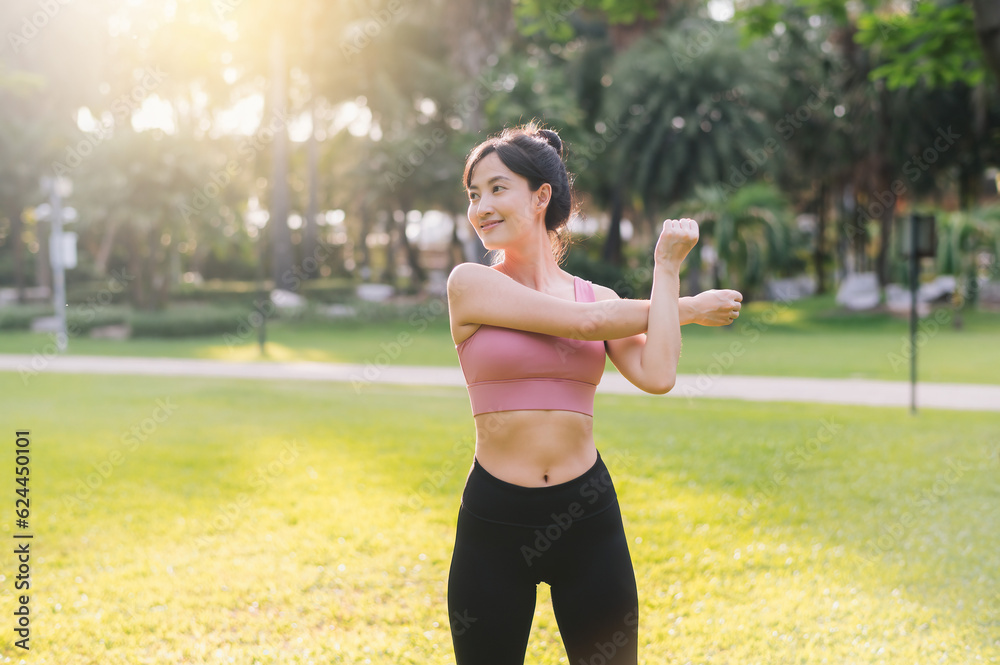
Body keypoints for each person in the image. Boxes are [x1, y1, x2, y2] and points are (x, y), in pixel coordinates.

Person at [446, 122, 742, 665]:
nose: (480, 206)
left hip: (586, 515)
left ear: (541, 197)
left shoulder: (597, 295)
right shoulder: (471, 284)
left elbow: (657, 373)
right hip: (495, 517)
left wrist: (667, 271)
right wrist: (692, 309)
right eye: (473, 194)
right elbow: (584, 324)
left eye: (495, 188)